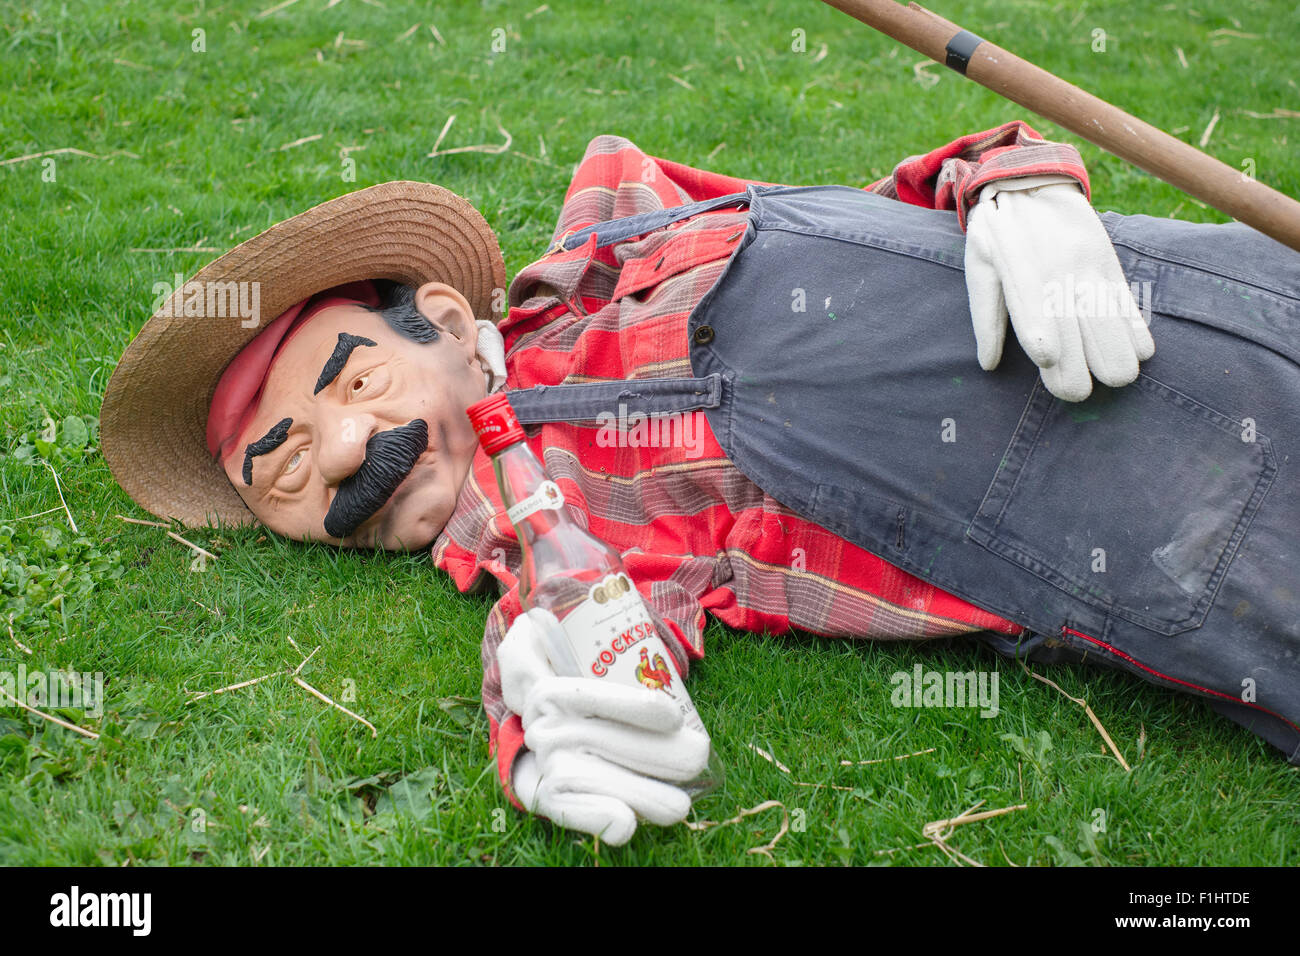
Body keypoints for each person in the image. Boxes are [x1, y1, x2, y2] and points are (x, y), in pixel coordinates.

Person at [101, 121, 1300, 845]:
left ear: (452, 324)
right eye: (289, 470)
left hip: (1172, 298)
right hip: (1186, 546)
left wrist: (1014, 182)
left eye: (352, 388)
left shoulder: (625, 233)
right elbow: (572, 648)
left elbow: (864, 211)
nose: (352, 456)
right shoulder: (541, 539)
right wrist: (543, 733)